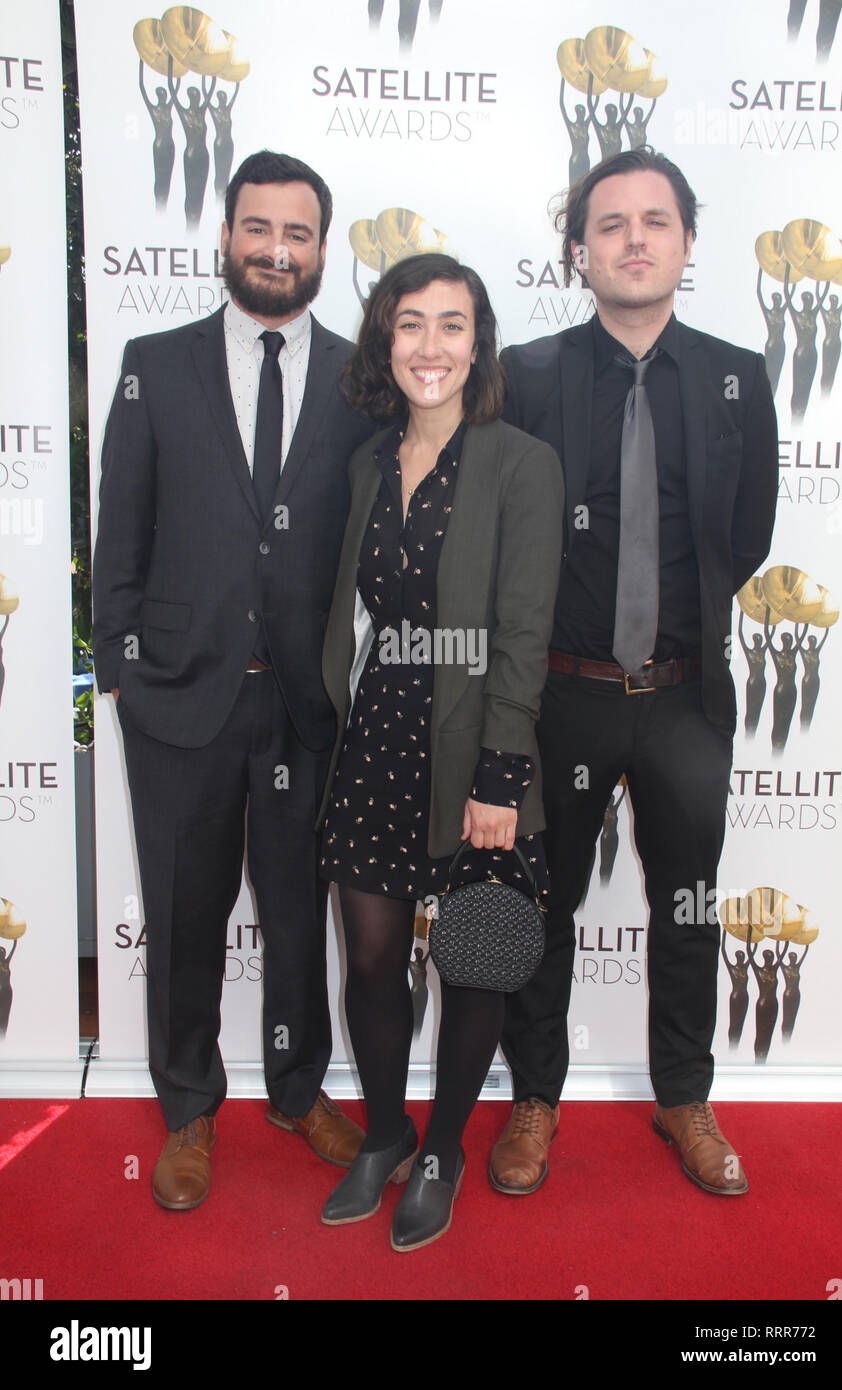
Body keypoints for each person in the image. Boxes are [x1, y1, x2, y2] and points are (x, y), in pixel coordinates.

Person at [492, 147, 778, 1197]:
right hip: (557, 698)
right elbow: (507, 541)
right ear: (578, 249)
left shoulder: (737, 377)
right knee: (539, 903)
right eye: (609, 223)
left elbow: (740, 539)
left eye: (654, 221)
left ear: (686, 244)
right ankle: (533, 1099)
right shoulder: (525, 374)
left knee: (688, 904)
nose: (632, 239)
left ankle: (683, 1093)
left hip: (682, 699)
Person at [92, 150, 375, 1211]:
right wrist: (118, 660)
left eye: (297, 233)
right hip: (177, 696)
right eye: (257, 228)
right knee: (184, 911)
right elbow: (120, 525)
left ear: (320, 248)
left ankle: (297, 1089)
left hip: (306, 706)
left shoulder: (362, 378)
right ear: (225, 238)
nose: (275, 250)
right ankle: (185, 1109)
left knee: (299, 912)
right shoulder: (152, 364)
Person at [317, 252, 563, 1250]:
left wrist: (501, 772)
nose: (430, 345)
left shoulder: (520, 464)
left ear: (478, 342)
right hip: (377, 735)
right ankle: (383, 1132)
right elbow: (353, 614)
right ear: (385, 338)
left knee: (472, 961)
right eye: (408, 322)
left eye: (451, 325)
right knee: (373, 957)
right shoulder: (364, 463)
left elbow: (520, 628)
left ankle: (445, 1150)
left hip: (476, 747)